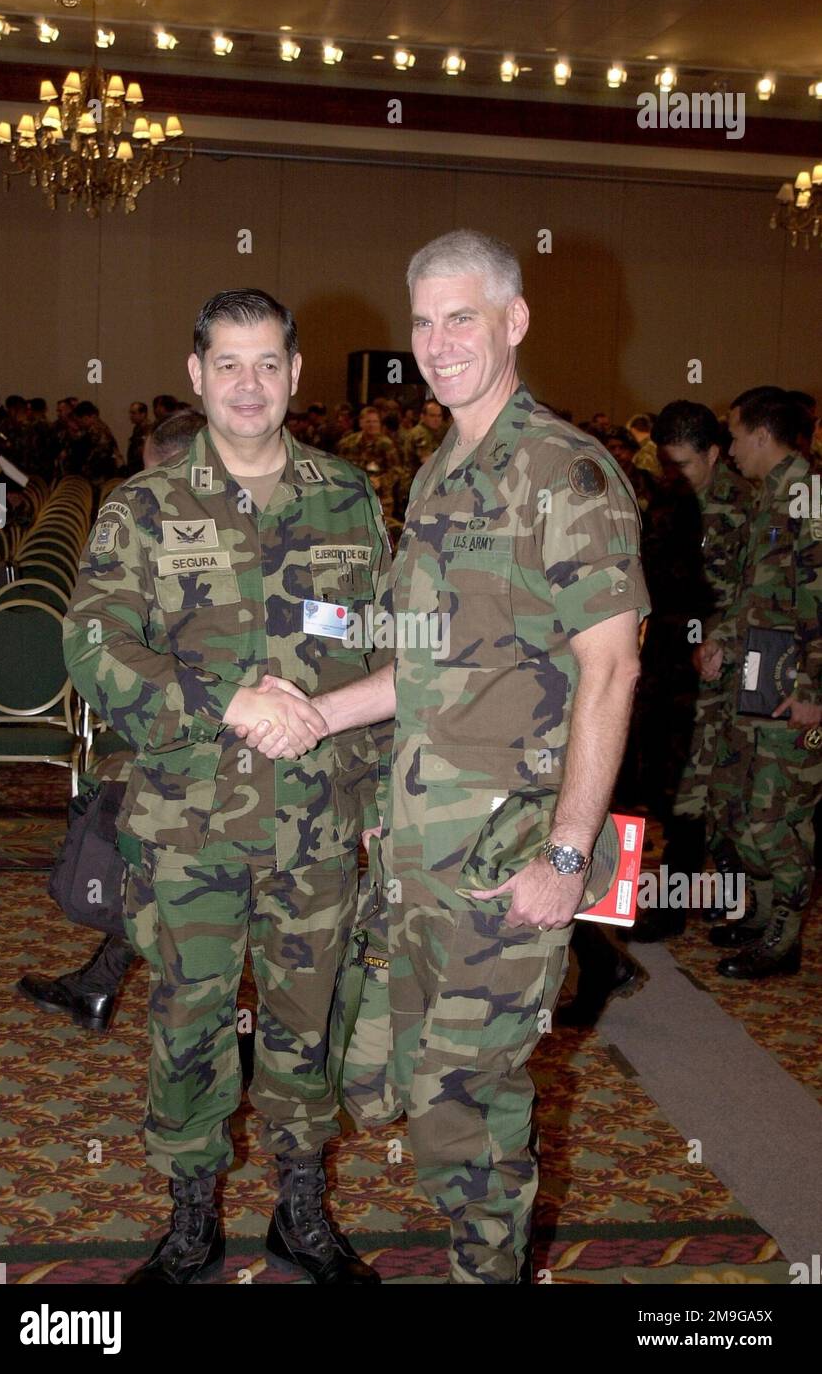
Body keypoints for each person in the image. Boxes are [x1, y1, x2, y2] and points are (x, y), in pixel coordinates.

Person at [245, 231, 650, 1283]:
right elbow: (427, 671)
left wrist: (568, 857)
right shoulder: (437, 475)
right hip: (421, 854)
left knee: (468, 1117)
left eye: (461, 317)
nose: (437, 342)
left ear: (514, 321)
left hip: (508, 860)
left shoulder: (563, 473)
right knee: (409, 1095)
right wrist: (320, 716)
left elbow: (612, 670)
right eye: (421, 321)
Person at [63, 288, 392, 1286]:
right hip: (187, 825)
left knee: (309, 1018)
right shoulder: (144, 507)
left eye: (268, 365)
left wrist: (378, 810)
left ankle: (301, 1209)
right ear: (198, 375)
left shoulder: (351, 497)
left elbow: (388, 652)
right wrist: (224, 698)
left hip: (318, 821)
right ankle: (190, 1216)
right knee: (189, 1016)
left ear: (294, 374)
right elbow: (91, 643)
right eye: (228, 365)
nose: (249, 385)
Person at [16, 413, 209, 1034]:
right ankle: (98, 986)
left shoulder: (194, 535)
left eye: (149, 470)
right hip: (188, 742)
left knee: (192, 887)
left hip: (207, 748)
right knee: (161, 875)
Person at [698, 386, 822, 979]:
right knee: (750, 803)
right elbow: (758, 592)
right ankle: (765, 918)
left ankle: (784, 939)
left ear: (762, 435)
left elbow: (820, 602)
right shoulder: (770, 495)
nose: (730, 445)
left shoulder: (807, 494)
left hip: (793, 675)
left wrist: (815, 690)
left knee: (775, 816)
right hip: (760, 670)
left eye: (735, 432)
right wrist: (722, 638)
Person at [633, 400, 752, 941]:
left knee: (696, 789)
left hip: (715, 665)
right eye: (667, 463)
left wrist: (712, 640)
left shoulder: (741, 507)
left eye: (685, 463)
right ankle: (700, 897)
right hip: (665, 656)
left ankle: (682, 904)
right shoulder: (671, 502)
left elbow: (752, 597)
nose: (675, 473)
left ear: (713, 452)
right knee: (666, 780)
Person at [336, 405, 394, 470]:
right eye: (368, 421)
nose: (372, 425)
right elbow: (338, 468)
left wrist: (380, 480)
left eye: (375, 422)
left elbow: (396, 470)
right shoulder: (347, 443)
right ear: (360, 423)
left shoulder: (386, 444)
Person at [126, 401, 150, 475]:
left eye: (133, 413)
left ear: (143, 414)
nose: (131, 416)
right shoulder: (137, 428)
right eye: (130, 413)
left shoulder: (147, 429)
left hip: (141, 468)